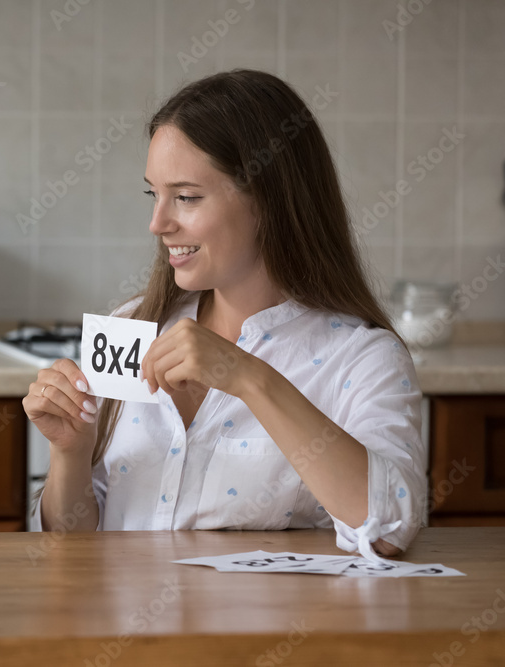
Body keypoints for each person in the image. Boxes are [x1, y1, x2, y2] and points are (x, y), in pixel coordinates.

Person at [24, 69, 425, 562]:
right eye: (155, 194)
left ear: (269, 199)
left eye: (187, 197)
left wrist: (247, 377)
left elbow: (387, 530)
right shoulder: (133, 326)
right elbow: (74, 548)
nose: (158, 223)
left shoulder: (362, 358)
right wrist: (70, 453)